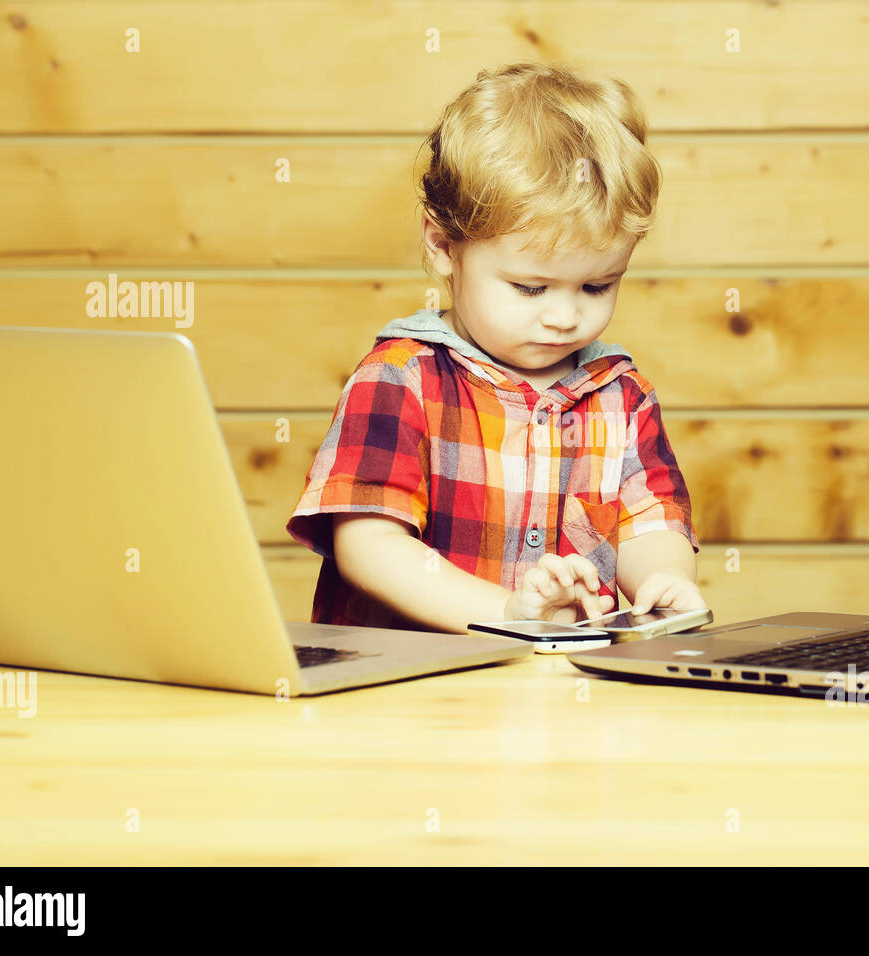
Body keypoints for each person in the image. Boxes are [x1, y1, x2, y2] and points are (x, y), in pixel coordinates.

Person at [286, 62, 705, 633]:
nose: (564, 317)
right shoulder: (401, 377)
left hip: (566, 679)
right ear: (443, 246)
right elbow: (368, 545)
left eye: (597, 286)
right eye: (530, 288)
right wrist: (503, 616)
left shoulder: (621, 396)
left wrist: (665, 578)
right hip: (411, 679)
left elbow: (652, 524)